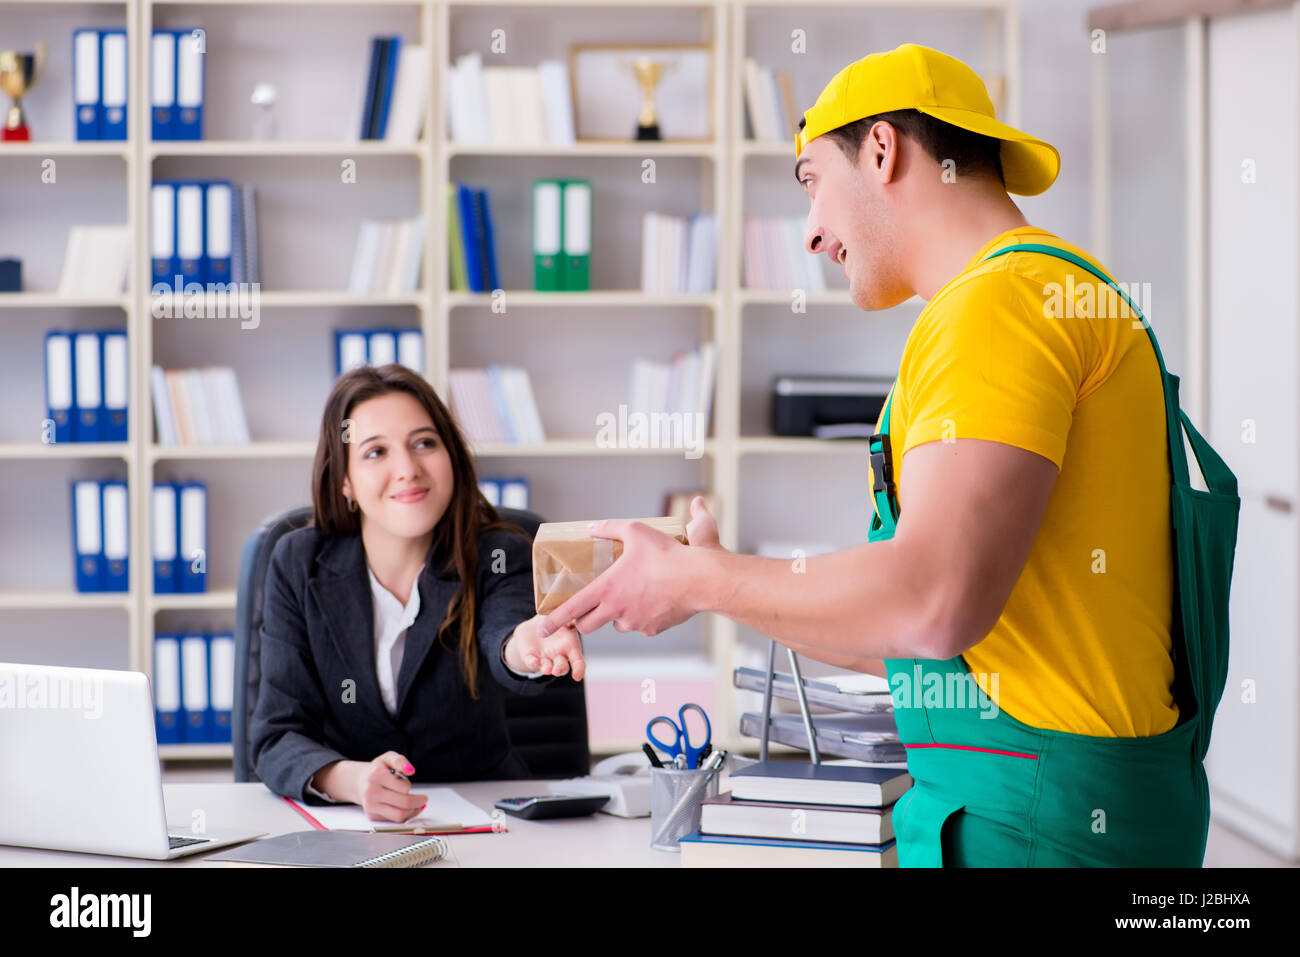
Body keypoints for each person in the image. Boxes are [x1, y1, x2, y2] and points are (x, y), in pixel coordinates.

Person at [537, 44, 1233, 866]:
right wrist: (715, 583)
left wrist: (696, 577)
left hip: (1035, 825)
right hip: (1079, 803)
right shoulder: (1063, 290)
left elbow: (934, 604)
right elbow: (940, 634)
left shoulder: (994, 307)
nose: (810, 234)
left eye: (810, 182)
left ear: (880, 149)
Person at [251, 364, 584, 823]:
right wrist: (349, 780)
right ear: (344, 480)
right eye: (375, 452)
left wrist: (525, 649)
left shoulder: (499, 552)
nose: (407, 469)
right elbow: (276, 735)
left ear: (451, 455)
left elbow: (505, 634)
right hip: (346, 830)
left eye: (424, 443)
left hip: (484, 825)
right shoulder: (297, 561)